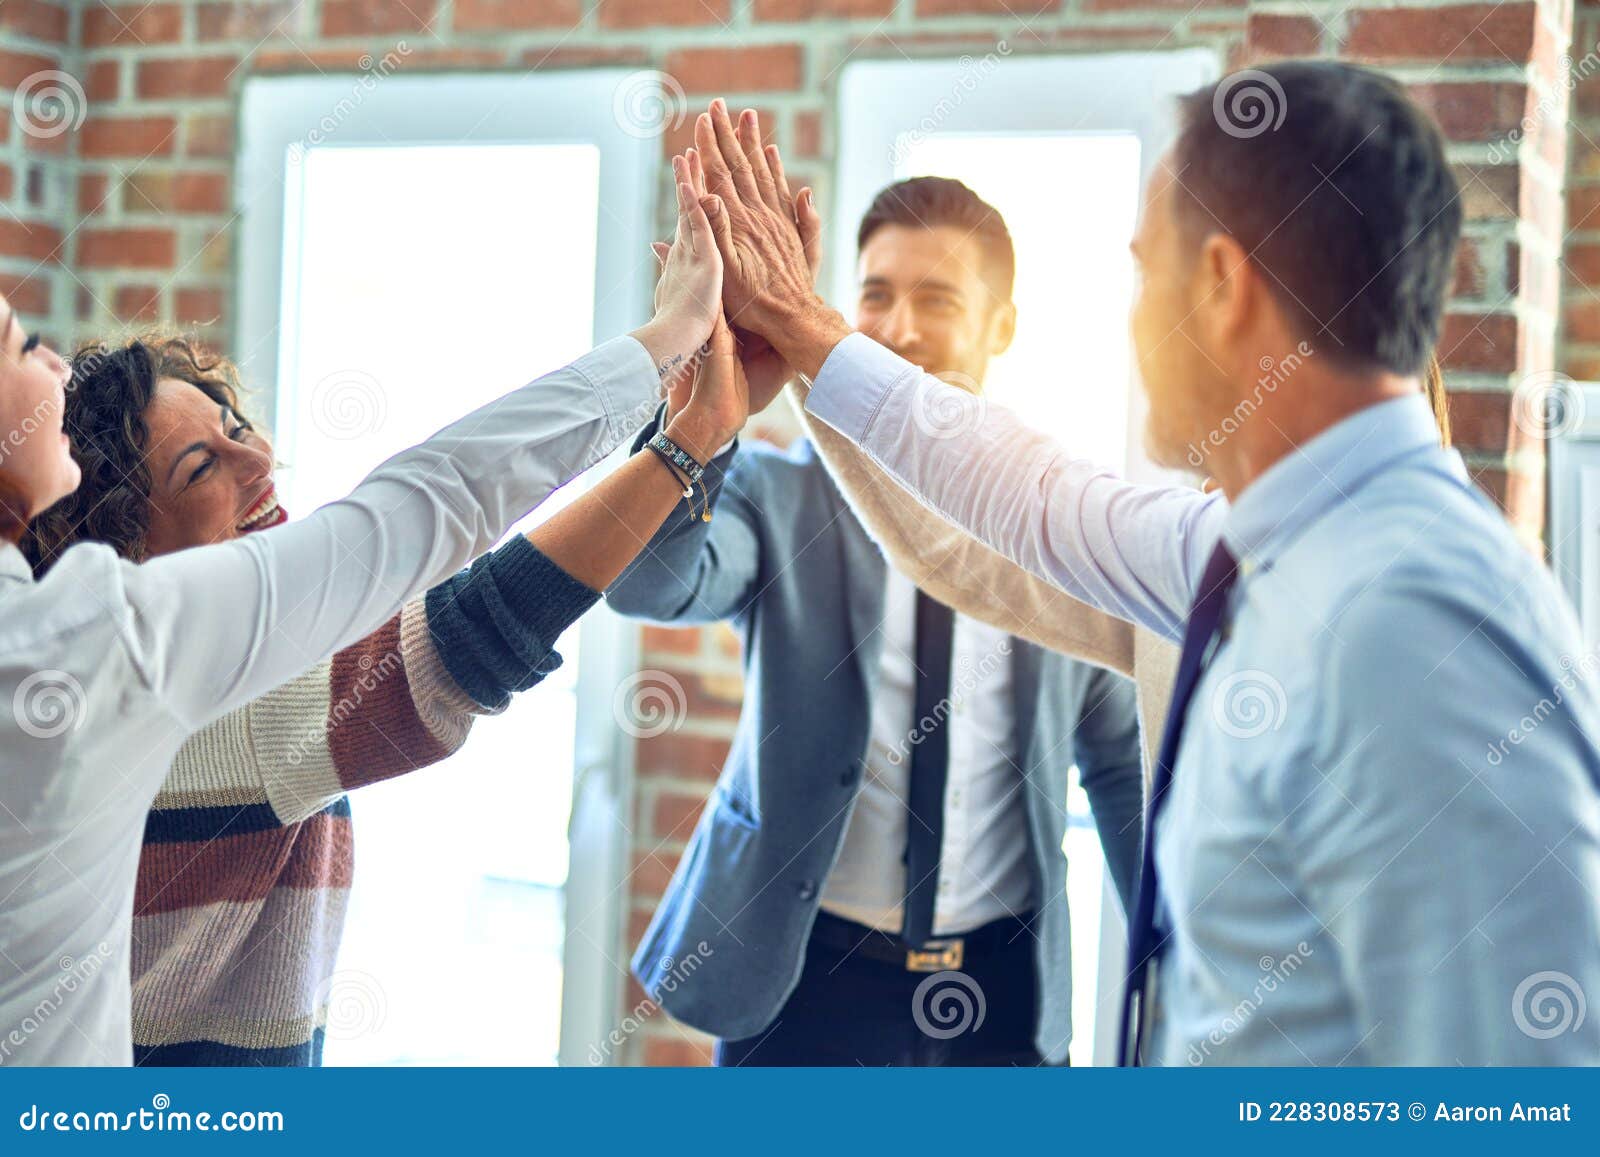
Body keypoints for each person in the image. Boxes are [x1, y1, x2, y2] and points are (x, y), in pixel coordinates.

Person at [687, 67, 1600, 1067]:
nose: (1130, 323)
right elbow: (1021, 504)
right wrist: (809, 335)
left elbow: (1525, 1085)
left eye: (1141, 272)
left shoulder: (1418, 619)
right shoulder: (1230, 550)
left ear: (1222, 284)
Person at [0, 175, 737, 1066]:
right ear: (124, 547)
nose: (258, 456)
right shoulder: (192, 689)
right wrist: (684, 437)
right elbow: (479, 616)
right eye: (201, 467)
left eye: (234, 423)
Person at [608, 164, 1145, 1066]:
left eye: (936, 299)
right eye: (877, 295)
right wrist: (697, 420)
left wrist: (1183, 968)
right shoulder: (780, 494)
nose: (898, 329)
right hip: (805, 976)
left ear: (1002, 326)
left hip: (1001, 993)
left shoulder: (1060, 522)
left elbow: (1118, 764)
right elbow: (647, 584)